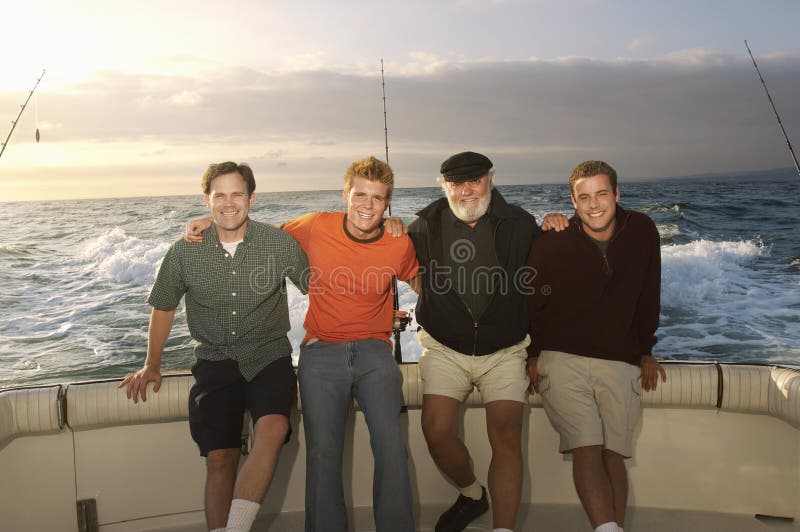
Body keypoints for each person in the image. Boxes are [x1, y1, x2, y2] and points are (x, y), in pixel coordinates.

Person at [186, 156, 418, 532]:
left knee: (391, 449)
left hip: (376, 350)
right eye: (360, 195)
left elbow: (421, 280)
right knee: (324, 455)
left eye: (377, 198)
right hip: (321, 350)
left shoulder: (399, 241)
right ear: (345, 194)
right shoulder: (313, 226)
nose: (367, 205)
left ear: (387, 203)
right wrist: (215, 222)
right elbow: (259, 237)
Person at [120, 162, 310, 532]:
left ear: (251, 199)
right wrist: (152, 364)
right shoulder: (184, 252)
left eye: (237, 193)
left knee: (272, 429)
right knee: (220, 458)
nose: (228, 202)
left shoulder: (279, 243)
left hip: (269, 355)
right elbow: (164, 307)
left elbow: (317, 289)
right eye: (219, 194)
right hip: (215, 361)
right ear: (206, 201)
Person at [407, 151, 564, 532]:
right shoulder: (422, 227)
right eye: (456, 183)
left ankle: (503, 529)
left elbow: (553, 276)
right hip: (445, 347)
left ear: (490, 180)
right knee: (437, 429)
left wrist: (559, 224)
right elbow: (399, 267)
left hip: (506, 350)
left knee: (507, 433)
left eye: (474, 181)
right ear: (444, 186)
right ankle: (472, 494)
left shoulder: (522, 223)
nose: (466, 191)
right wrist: (391, 225)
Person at [526, 160, 667, 532]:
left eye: (602, 193)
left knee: (613, 455)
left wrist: (646, 349)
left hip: (620, 357)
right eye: (583, 197)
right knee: (587, 447)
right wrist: (532, 354)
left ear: (617, 194)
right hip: (562, 357)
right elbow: (531, 303)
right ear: (572, 202)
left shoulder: (643, 230)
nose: (594, 204)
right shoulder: (552, 242)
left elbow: (649, 293)